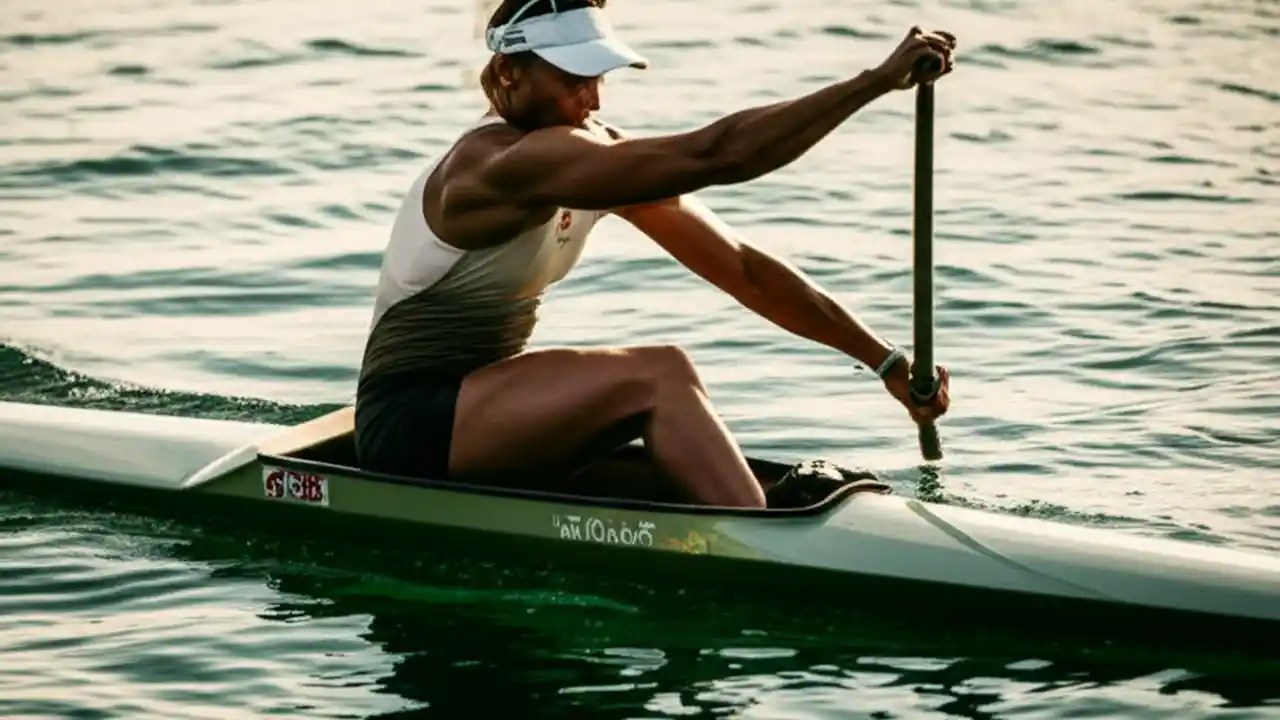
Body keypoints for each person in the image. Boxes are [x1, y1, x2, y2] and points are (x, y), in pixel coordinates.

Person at [355, 0, 954, 509]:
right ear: (510, 74)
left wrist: (885, 362)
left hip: (485, 408)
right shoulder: (494, 166)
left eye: (599, 76)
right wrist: (873, 82)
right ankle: (768, 546)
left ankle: (754, 517)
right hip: (412, 423)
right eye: (572, 79)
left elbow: (743, 268)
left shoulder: (588, 157)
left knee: (671, 396)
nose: (590, 97)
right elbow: (719, 157)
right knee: (660, 374)